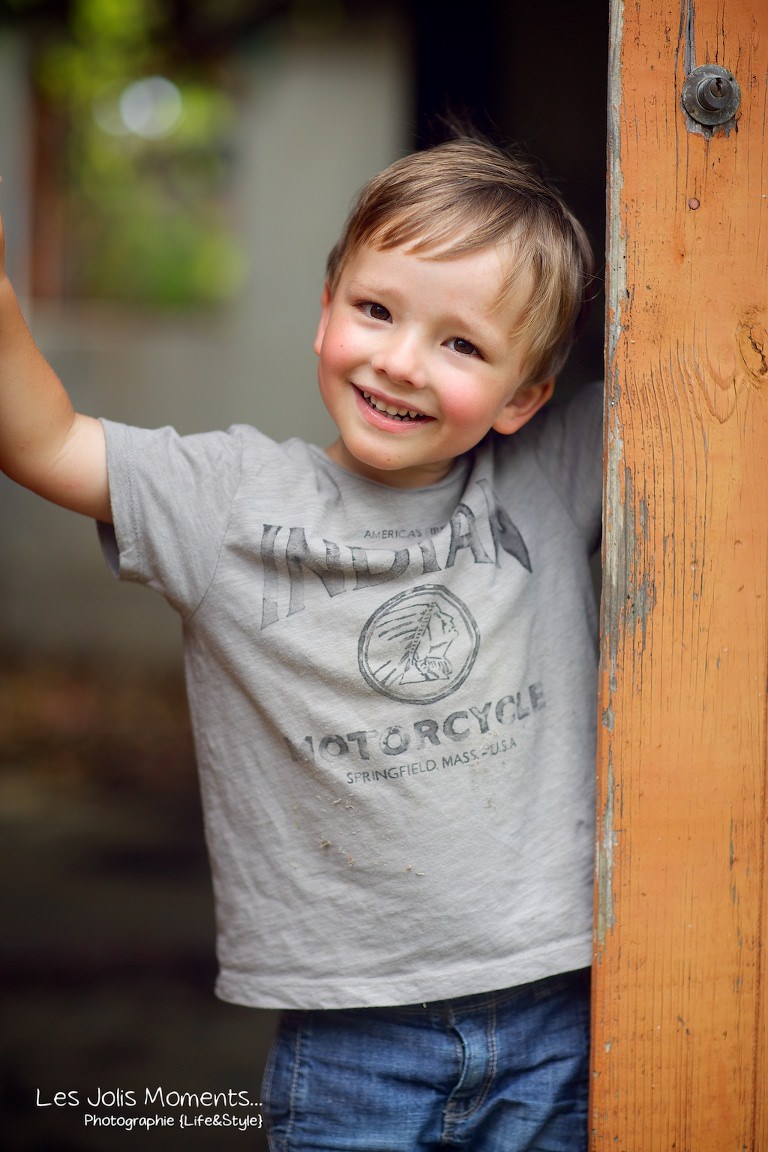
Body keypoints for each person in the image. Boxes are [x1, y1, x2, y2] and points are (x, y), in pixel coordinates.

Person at [0, 133, 602, 1151]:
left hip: (564, 1014)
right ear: (325, 311)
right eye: (376, 310)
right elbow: (44, 441)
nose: (400, 360)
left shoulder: (555, 472)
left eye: (462, 345)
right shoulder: (229, 502)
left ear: (522, 399)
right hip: (350, 1038)